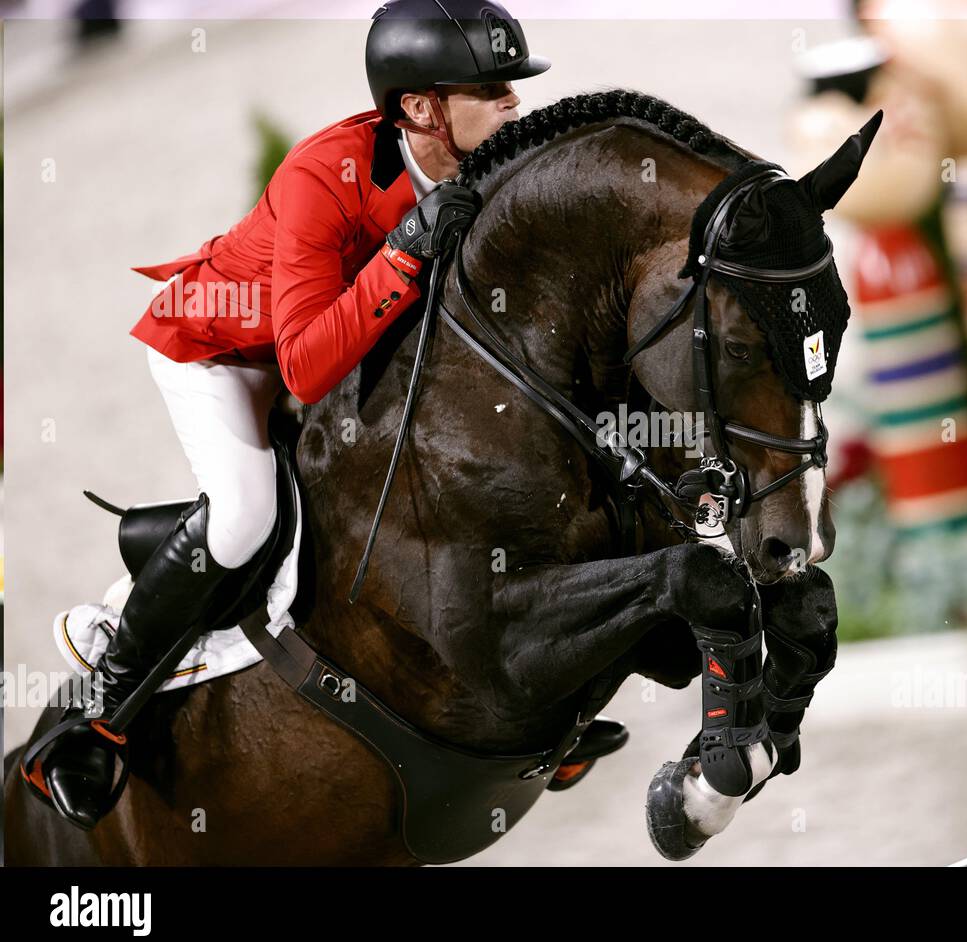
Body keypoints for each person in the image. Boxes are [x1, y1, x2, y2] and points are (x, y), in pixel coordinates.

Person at [28, 0, 624, 831]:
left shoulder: (482, 161)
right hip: (222, 352)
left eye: (511, 88)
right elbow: (304, 360)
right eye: (492, 90)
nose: (514, 105)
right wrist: (407, 251)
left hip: (331, 347)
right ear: (420, 109)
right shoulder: (322, 174)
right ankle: (102, 704)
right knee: (246, 515)